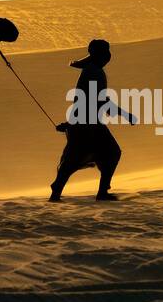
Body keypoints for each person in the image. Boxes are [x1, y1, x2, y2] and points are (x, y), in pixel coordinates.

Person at [49, 39, 135, 202]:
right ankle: (101, 192)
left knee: (73, 158)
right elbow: (100, 101)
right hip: (88, 124)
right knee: (110, 153)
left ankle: (57, 192)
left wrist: (69, 124)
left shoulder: (90, 70)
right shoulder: (94, 72)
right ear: (102, 55)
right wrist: (125, 115)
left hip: (83, 122)